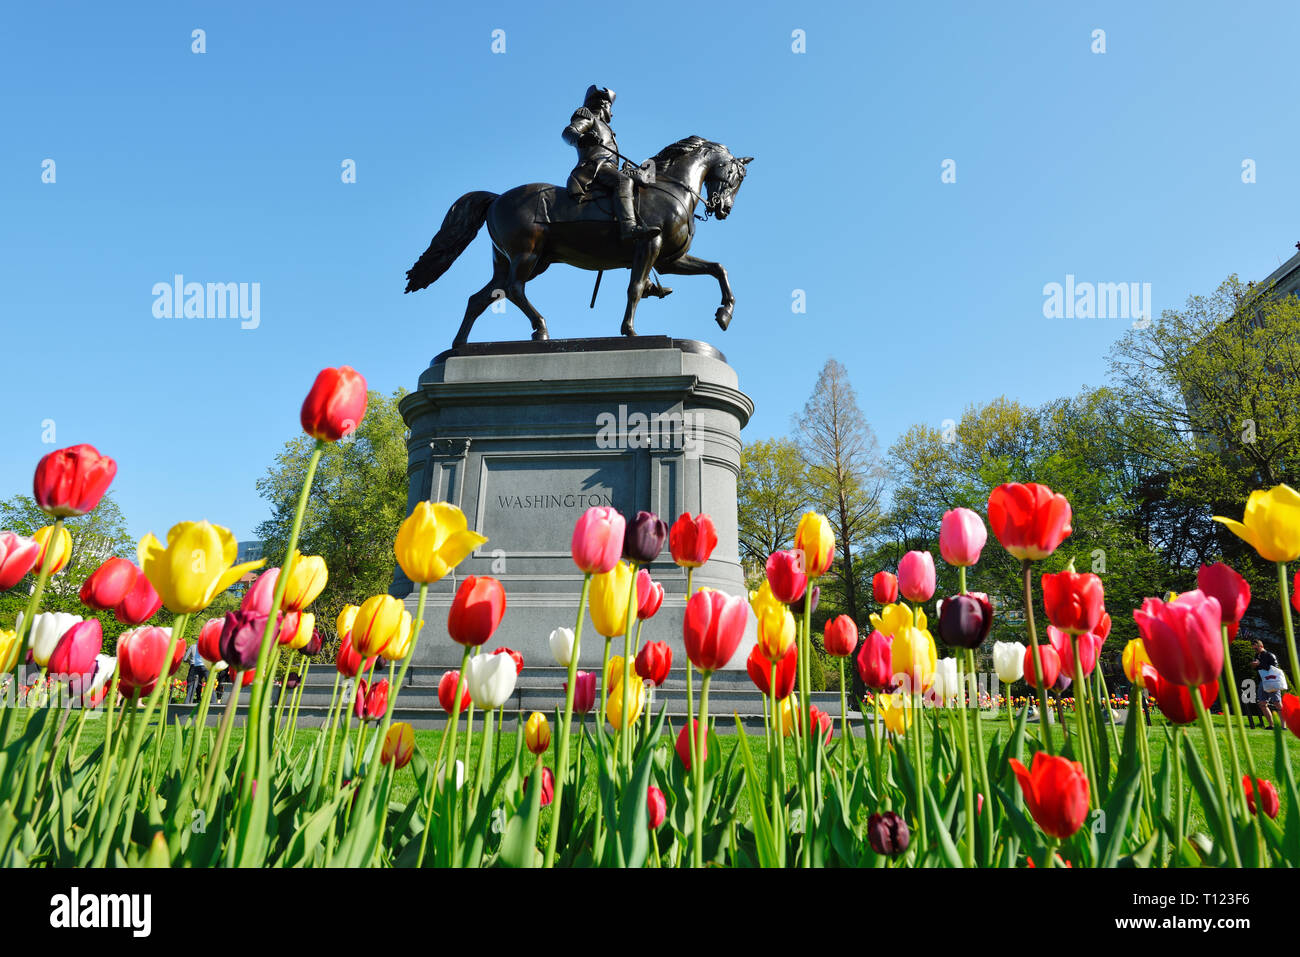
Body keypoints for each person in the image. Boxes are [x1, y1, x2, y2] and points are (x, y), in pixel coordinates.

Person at [562, 85, 659, 242]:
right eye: (610, 107)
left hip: (607, 169)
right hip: (593, 168)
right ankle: (628, 227)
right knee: (623, 180)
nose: (612, 114)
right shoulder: (589, 118)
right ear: (602, 104)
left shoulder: (607, 128)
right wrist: (581, 138)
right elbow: (568, 132)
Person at [1250, 638, 1284, 731]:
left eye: (1256, 648)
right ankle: (1271, 725)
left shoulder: (1270, 655)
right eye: (1253, 649)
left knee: (1277, 703)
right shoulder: (1257, 655)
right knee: (1262, 704)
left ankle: (1283, 726)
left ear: (1261, 646)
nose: (1255, 650)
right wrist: (1254, 665)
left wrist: (1259, 664)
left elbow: (1274, 668)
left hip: (1272, 681)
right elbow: (1258, 668)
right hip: (1262, 681)